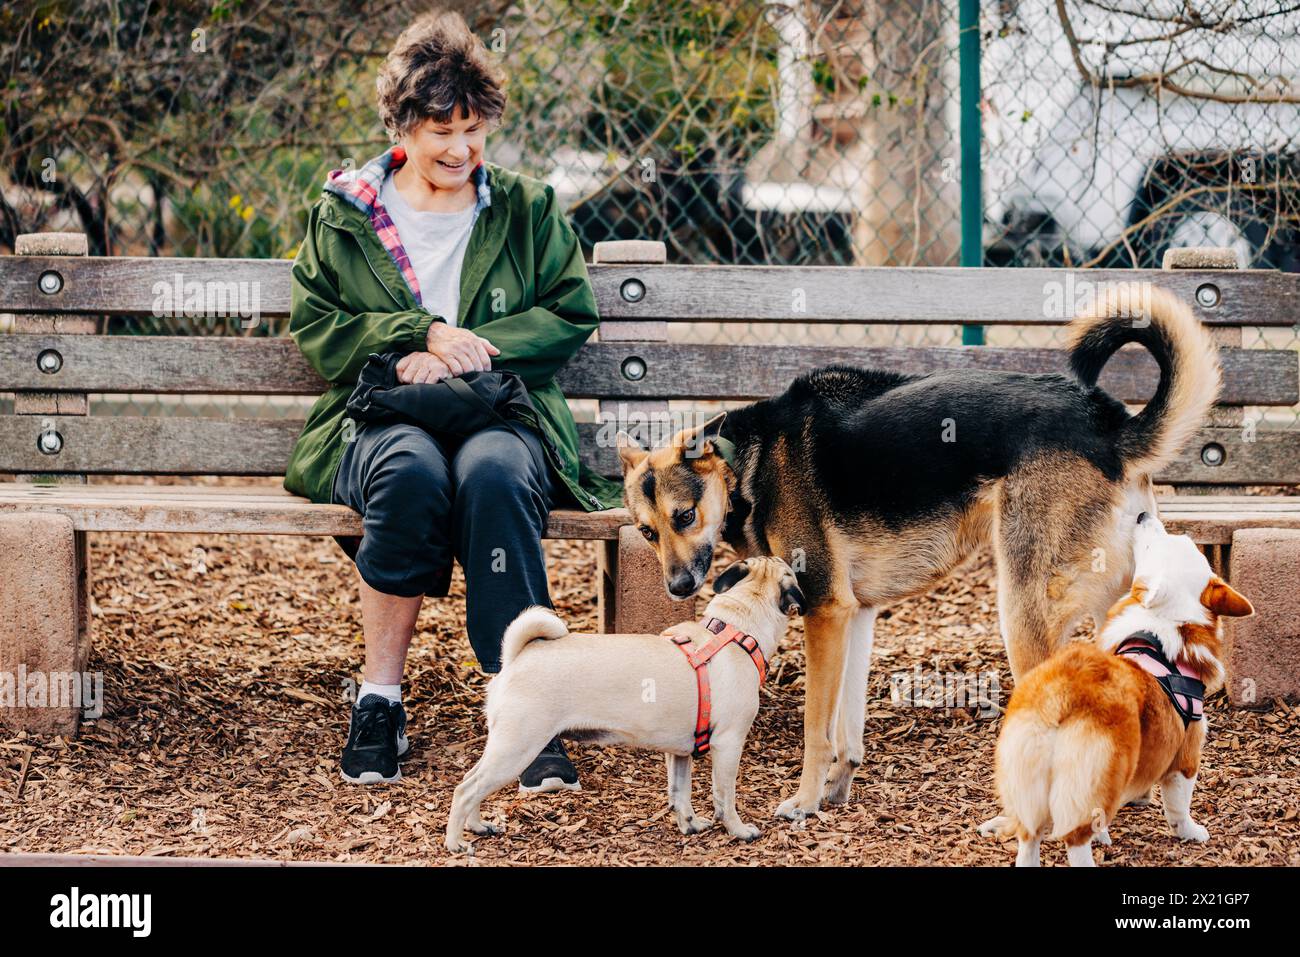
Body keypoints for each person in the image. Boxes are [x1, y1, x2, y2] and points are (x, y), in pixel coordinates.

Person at [283, 10, 623, 788]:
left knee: (496, 473)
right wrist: (418, 336)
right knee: (406, 474)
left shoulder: (527, 208)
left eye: (474, 129)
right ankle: (379, 700)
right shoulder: (346, 214)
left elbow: (570, 312)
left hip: (500, 411)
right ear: (402, 124)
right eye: (442, 131)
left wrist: (471, 356)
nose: (461, 149)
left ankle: (527, 705)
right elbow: (318, 325)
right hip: (380, 418)